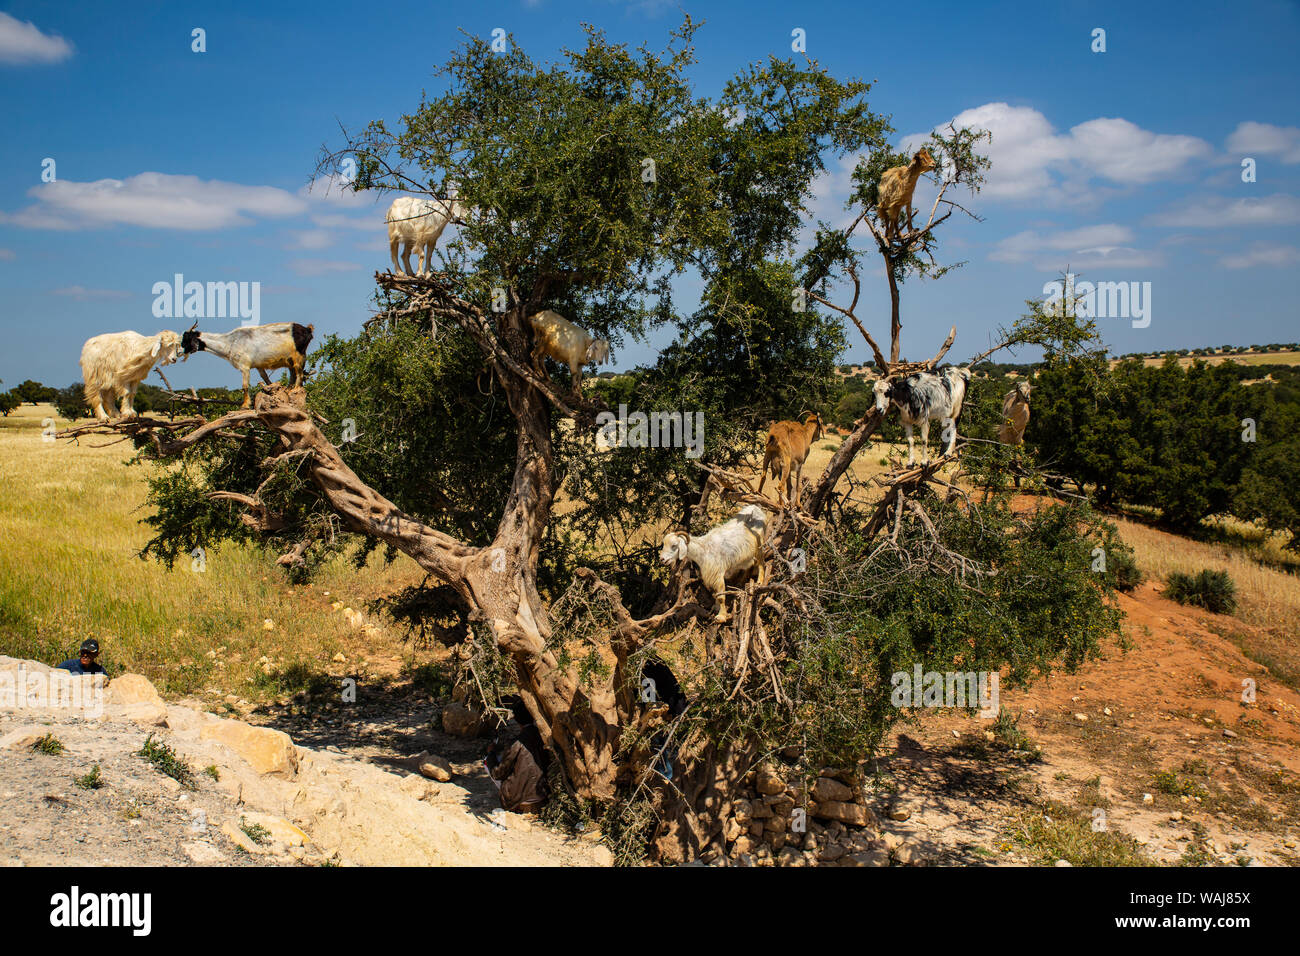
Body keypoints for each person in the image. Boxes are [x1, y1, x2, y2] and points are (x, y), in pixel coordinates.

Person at [484, 696, 551, 813]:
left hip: (521, 798)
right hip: (543, 794)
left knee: (488, 762)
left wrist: (491, 754)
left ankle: (515, 806)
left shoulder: (517, 744)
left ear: (516, 719)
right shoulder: (543, 737)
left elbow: (497, 773)